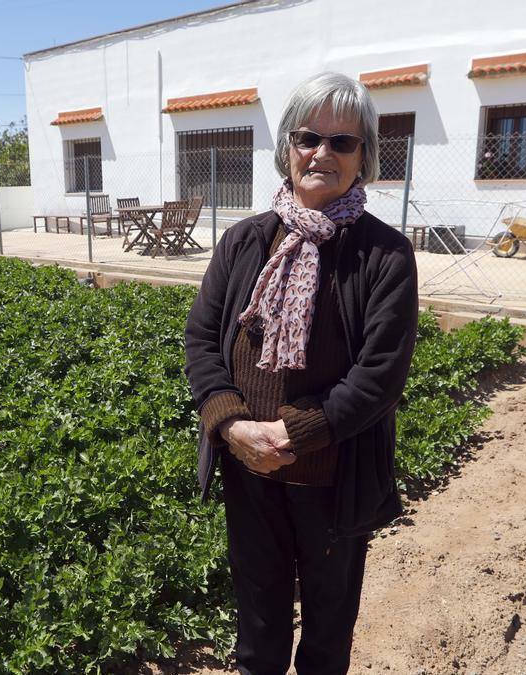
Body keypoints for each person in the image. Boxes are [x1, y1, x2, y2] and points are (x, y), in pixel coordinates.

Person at [183, 72, 419, 675]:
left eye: (343, 143)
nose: (323, 153)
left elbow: (380, 374)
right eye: (309, 137)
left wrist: (295, 433)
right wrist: (232, 426)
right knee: (257, 626)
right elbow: (204, 341)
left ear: (363, 155)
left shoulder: (384, 255)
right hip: (249, 471)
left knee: (327, 629)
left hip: (333, 476)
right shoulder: (244, 241)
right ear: (288, 148)